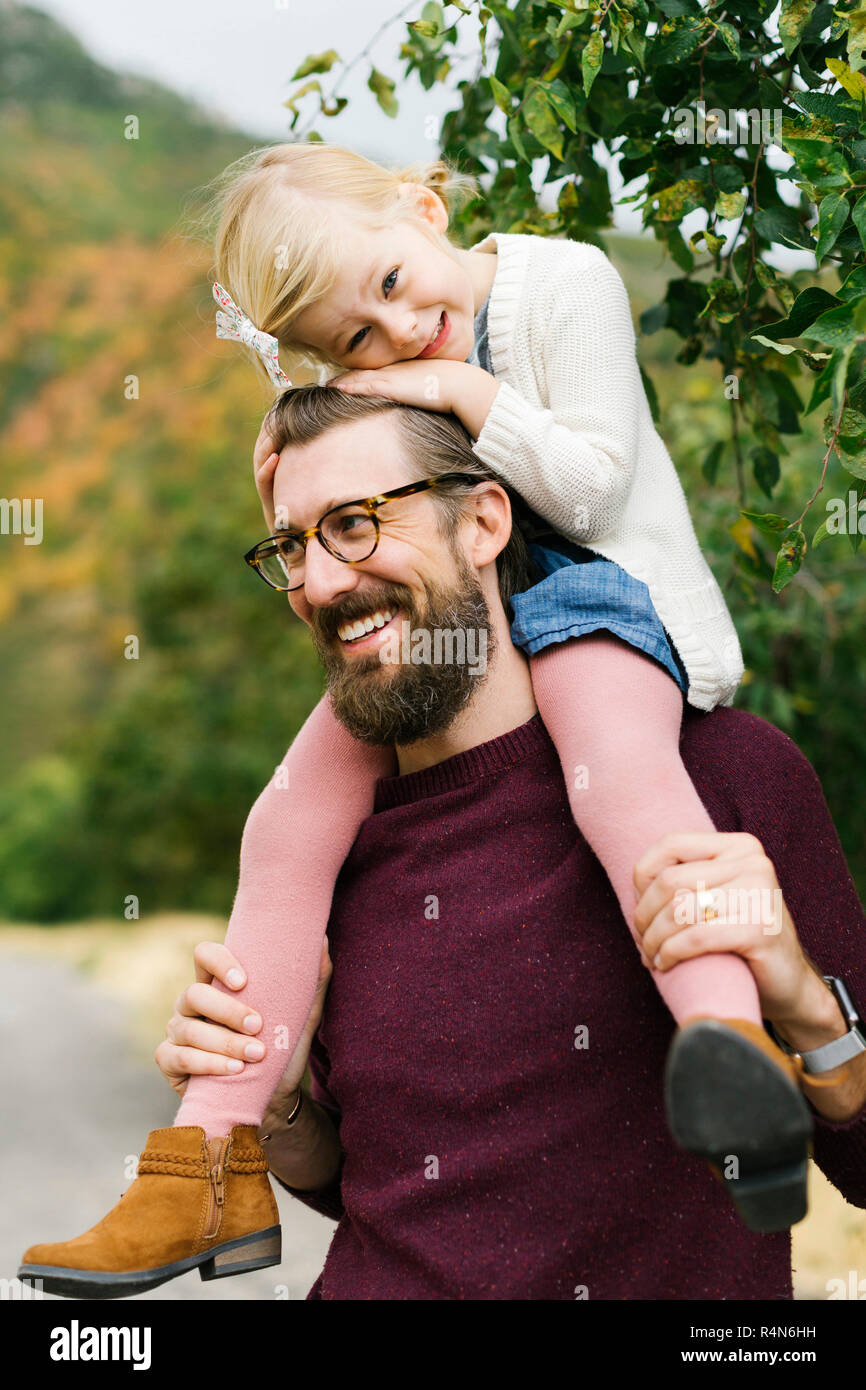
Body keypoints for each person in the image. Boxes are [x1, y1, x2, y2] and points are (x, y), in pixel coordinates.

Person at [20, 390, 866, 1300]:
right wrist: (283, 1104)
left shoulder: (718, 778)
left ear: (484, 523)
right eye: (292, 546)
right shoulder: (323, 852)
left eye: (355, 523)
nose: (322, 581)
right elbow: (392, 1196)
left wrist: (807, 1005)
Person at [185, 142, 811, 1226]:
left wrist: (455, 389)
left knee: (614, 779)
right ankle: (204, 1157)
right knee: (283, 825)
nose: (392, 336)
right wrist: (289, 453)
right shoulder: (369, 364)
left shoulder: (558, 285)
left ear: (423, 209)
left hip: (609, 601)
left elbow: (593, 486)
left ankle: (729, 1047)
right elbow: (349, 474)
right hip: (469, 636)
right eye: (351, 342)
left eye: (389, 286)